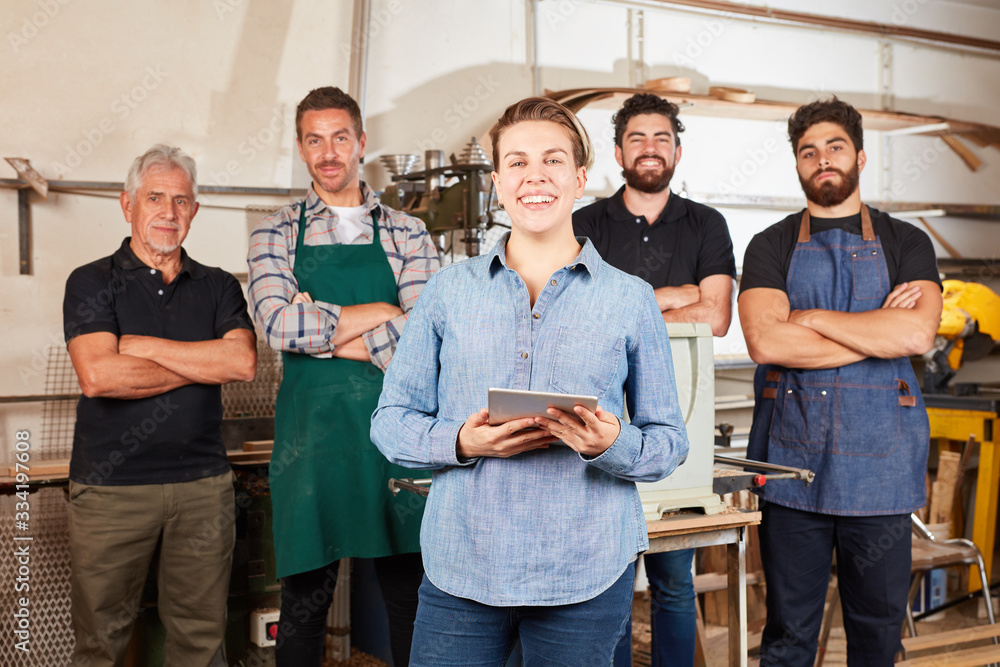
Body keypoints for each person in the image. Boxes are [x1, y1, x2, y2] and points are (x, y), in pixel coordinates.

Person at [371, 97, 690, 667]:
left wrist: (609, 444)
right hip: (461, 567)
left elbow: (669, 443)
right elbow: (390, 424)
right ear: (496, 181)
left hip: (586, 570)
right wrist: (462, 442)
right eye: (517, 163)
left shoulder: (629, 299)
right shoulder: (448, 293)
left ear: (580, 178)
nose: (535, 176)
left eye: (553, 160)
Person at [738, 97, 942, 666]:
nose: (821, 159)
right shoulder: (771, 244)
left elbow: (917, 336)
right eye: (808, 151)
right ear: (797, 164)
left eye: (834, 147)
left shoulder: (907, 242)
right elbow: (766, 343)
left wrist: (813, 319)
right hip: (790, 471)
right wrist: (876, 328)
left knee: (876, 635)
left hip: (880, 473)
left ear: (859, 156)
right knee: (787, 637)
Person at [246, 86, 440, 666]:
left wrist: (327, 335)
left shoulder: (409, 232)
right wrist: (384, 316)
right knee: (305, 603)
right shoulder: (274, 231)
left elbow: (429, 340)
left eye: (339, 138)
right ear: (302, 149)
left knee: (410, 595)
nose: (328, 152)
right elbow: (277, 325)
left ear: (361, 142)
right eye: (314, 140)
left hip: (400, 435)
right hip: (315, 441)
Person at [63, 145, 257, 667]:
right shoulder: (92, 280)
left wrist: (140, 346)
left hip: (202, 488)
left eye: (181, 201)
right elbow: (99, 375)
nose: (168, 213)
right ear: (127, 204)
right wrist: (201, 362)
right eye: (155, 198)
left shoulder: (217, 285)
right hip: (110, 491)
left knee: (200, 641)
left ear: (194, 211)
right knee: (100, 641)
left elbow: (240, 364)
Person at [574, 92, 736, 667]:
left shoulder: (706, 224)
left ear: (678, 150)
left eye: (661, 138)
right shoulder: (585, 222)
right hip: (600, 426)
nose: (650, 148)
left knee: (673, 584)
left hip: (678, 424)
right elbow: (577, 314)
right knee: (609, 587)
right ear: (619, 151)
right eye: (637, 137)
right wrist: (677, 295)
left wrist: (628, 303)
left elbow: (716, 316)